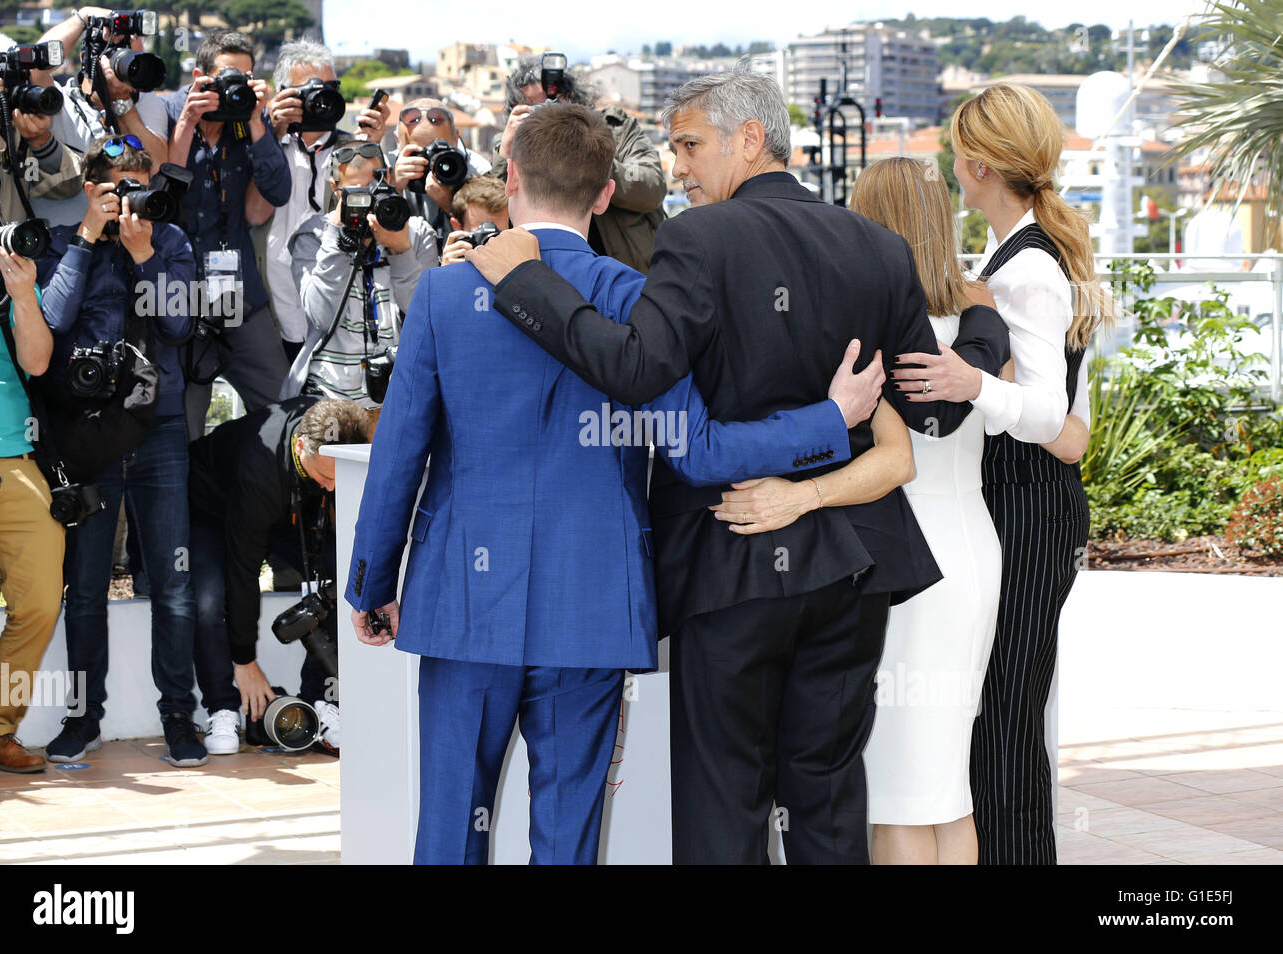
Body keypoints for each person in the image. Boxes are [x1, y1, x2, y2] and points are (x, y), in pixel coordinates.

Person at [467, 69, 1010, 865]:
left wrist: (523, 280)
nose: (677, 166)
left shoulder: (699, 238)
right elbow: (937, 405)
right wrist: (985, 331)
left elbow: (636, 369)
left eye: (688, 144)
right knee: (826, 797)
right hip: (850, 569)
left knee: (725, 804)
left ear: (749, 138)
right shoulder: (878, 246)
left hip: (729, 558)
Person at [345, 102, 885, 865]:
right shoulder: (637, 299)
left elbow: (400, 454)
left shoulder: (443, 294)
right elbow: (697, 452)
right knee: (568, 841)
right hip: (590, 605)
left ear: (514, 179)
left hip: (464, 603)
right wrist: (829, 421)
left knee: (447, 833)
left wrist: (371, 581)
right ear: (605, 195)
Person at [891, 82, 1110, 864]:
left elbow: (1052, 417)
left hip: (1027, 502)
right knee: (1000, 717)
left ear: (979, 164)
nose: (951, 162)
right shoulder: (1018, 256)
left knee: (1007, 722)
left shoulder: (1026, 271)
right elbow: (1070, 421)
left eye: (956, 148)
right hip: (1026, 500)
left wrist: (969, 383)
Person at [841, 158, 1000, 864]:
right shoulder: (976, 325)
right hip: (972, 551)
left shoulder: (869, 336)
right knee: (946, 789)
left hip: (904, 563)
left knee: (900, 793)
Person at [37, 135, 202, 767]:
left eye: (140, 185)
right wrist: (86, 236)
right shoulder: (60, 242)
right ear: (92, 189)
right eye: (117, 188)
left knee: (174, 584)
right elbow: (50, 322)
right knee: (84, 587)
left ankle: (179, 717)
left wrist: (146, 256)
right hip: (88, 435)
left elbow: (179, 327)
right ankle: (83, 718)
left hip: (157, 428)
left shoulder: (172, 241)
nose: (131, 200)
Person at [190, 397, 372, 756]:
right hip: (211, 504)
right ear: (301, 445)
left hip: (287, 506)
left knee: (347, 579)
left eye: (339, 478)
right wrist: (245, 662)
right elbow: (243, 571)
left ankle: (322, 702)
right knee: (210, 600)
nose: (333, 488)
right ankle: (222, 707)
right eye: (325, 477)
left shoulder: (330, 437)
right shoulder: (259, 470)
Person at [162, 29, 292, 440]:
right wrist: (187, 121)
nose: (235, 87)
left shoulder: (249, 123)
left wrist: (256, 120)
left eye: (246, 77)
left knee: (283, 414)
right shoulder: (168, 111)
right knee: (184, 432)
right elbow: (161, 196)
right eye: (228, 77)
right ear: (201, 76)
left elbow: (278, 191)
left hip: (239, 296)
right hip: (176, 297)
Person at [251, 38, 391, 365]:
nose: (322, 96)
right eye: (309, 89)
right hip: (274, 313)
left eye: (330, 86)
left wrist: (370, 147)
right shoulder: (261, 145)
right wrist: (271, 132)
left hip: (338, 314)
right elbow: (252, 212)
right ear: (284, 92)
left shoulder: (351, 150)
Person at [0, 244, 63, 773]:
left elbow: (37, 361)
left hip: (10, 456)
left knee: (38, 600)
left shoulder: (6, 268)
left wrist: (21, 296)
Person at [281, 143, 437, 404]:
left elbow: (424, 318)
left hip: (400, 388)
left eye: (374, 186)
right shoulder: (313, 237)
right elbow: (321, 317)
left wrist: (401, 249)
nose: (368, 199)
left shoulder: (417, 233)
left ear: (386, 178)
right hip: (329, 392)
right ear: (335, 189)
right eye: (356, 192)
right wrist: (336, 237)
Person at [490, 56, 665, 273]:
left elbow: (652, 186)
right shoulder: (509, 144)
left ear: (572, 98)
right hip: (546, 276)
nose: (547, 113)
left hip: (627, 272)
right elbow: (491, 213)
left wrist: (590, 156)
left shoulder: (616, 127)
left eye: (552, 101)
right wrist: (505, 154)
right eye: (534, 108)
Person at [31, 7, 171, 230]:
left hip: (124, 245)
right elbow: (32, 70)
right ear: (85, 59)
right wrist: (82, 18)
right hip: (62, 244)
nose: (130, 68)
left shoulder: (146, 102)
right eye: (120, 56)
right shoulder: (59, 101)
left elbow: (156, 166)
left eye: (136, 60)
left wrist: (122, 103)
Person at [0, 33, 84, 225]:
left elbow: (66, 189)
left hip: (15, 250)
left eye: (18, 80)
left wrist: (41, 141)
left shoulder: (18, 131)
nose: (9, 91)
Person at [390, 96, 491, 247]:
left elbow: (488, 236)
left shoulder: (477, 170)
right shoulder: (386, 167)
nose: (430, 160)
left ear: (455, 139)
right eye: (419, 152)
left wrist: (451, 204)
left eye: (436, 149)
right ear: (398, 142)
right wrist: (393, 189)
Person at [440, 175, 509, 266]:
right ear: (458, 227)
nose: (491, 245)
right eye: (484, 235)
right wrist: (446, 273)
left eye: (498, 234)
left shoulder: (523, 259)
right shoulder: (453, 265)